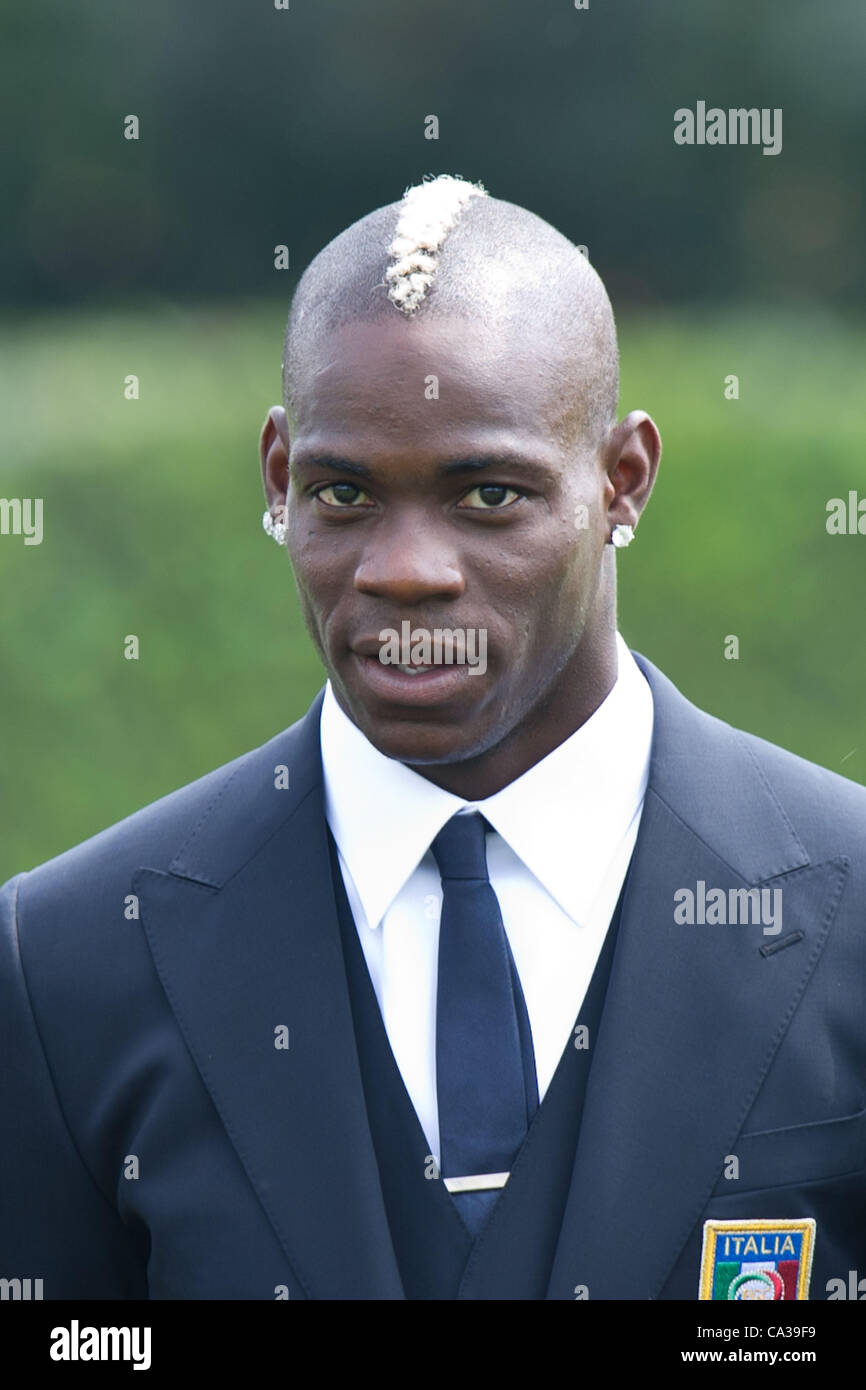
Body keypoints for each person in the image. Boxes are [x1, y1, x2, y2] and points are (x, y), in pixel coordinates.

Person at [2, 175, 864, 1302]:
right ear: (279, 478)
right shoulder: (66, 961)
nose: (405, 570)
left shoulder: (848, 910)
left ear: (622, 481)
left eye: (489, 495)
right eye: (344, 493)